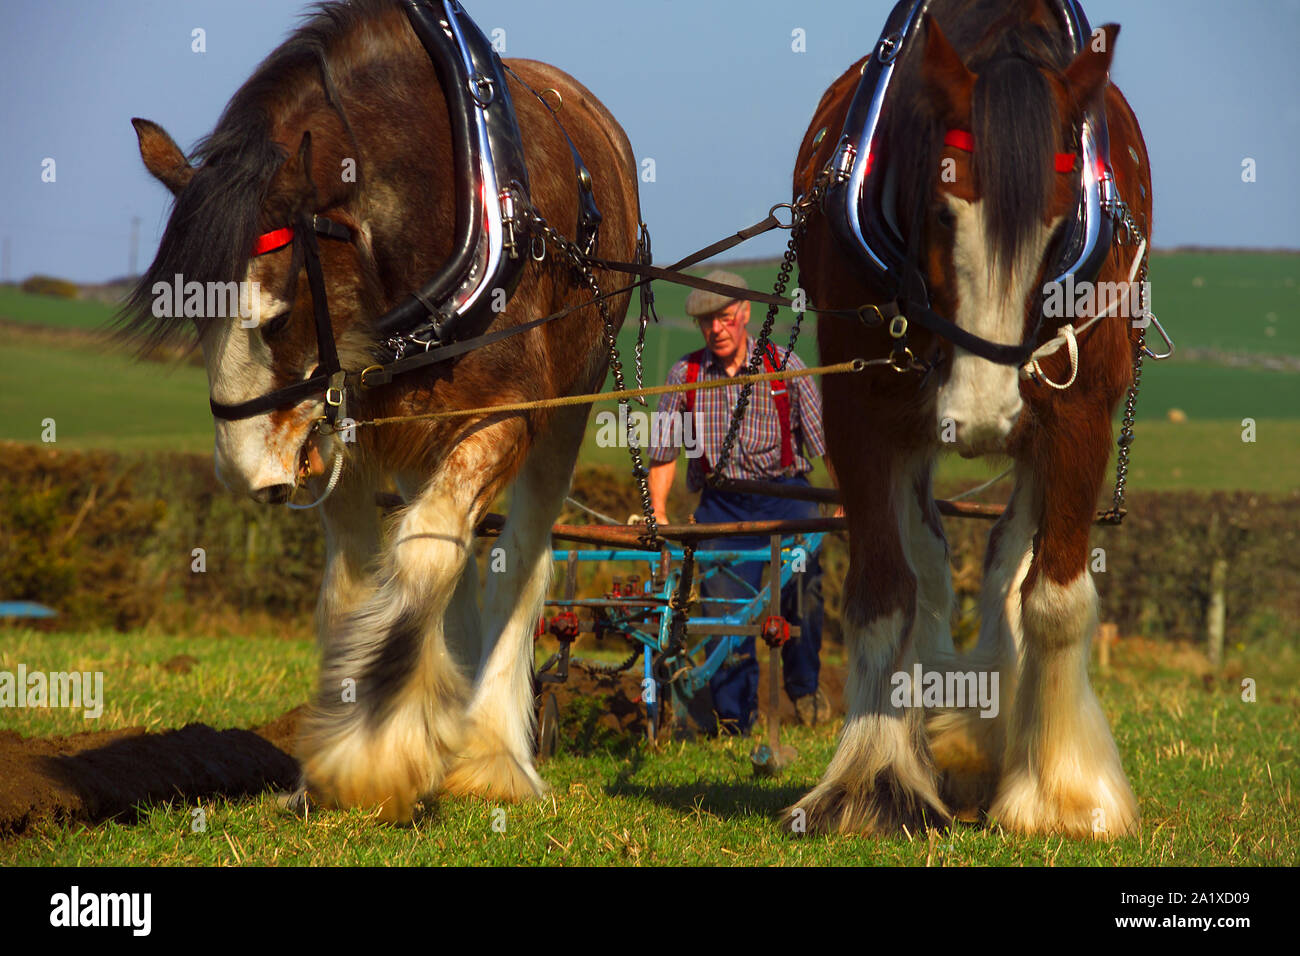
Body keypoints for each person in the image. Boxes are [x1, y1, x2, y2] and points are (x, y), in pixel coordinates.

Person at [645, 269, 834, 736]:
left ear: (745, 314)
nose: (717, 330)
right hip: (721, 505)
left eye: (726, 318)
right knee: (725, 611)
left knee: (804, 589)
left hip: (789, 499)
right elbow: (663, 455)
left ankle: (804, 687)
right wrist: (659, 515)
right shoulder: (684, 376)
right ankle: (733, 719)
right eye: (708, 322)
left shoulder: (785, 366)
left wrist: (844, 502)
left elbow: (828, 445)